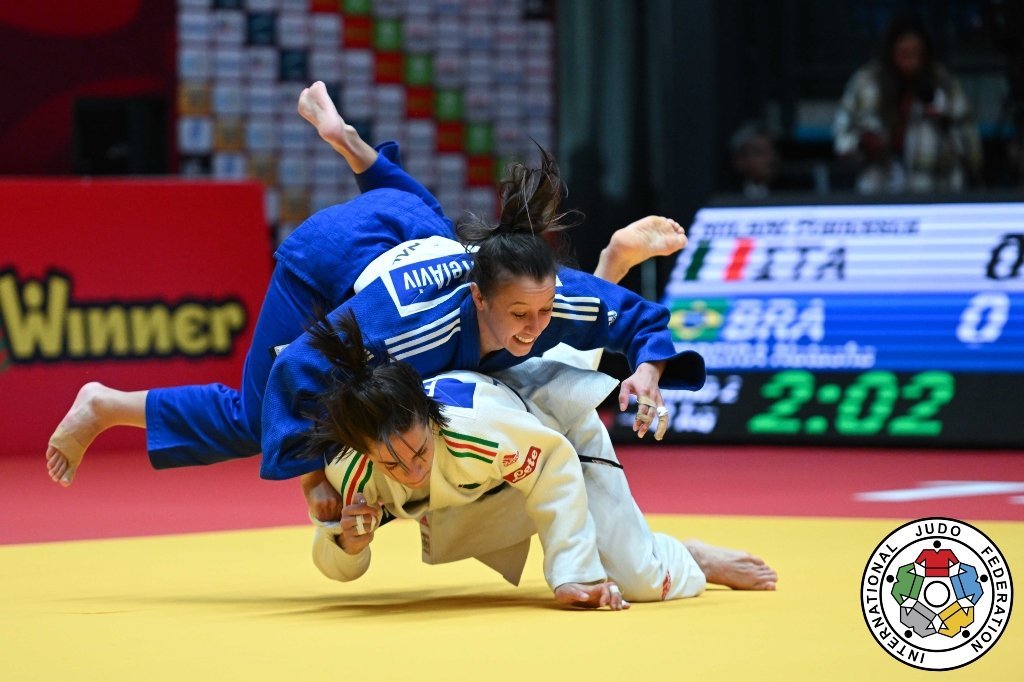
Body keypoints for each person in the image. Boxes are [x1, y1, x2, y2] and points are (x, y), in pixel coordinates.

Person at [45, 82, 699, 513]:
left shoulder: (521, 285)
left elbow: (628, 317)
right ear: (477, 301)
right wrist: (316, 480)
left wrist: (646, 369)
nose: (534, 322)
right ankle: (104, 405)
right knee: (254, 414)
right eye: (520, 315)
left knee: (527, 346)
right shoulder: (401, 331)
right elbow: (301, 368)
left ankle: (348, 139)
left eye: (542, 311)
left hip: (413, 221)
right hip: (337, 256)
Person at [307, 311, 777, 610]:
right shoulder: (349, 467)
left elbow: (555, 467)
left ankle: (683, 555)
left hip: (558, 435)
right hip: (488, 487)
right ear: (365, 453)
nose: (412, 470)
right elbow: (337, 564)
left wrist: (574, 577)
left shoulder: (476, 428)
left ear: (431, 420)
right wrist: (346, 545)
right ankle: (633, 543)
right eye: (393, 466)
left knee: (641, 582)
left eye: (420, 450)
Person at [832, 14, 983, 194]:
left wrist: (945, 121)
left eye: (916, 53)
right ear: (890, 53)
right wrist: (862, 144)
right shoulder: (866, 83)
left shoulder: (944, 84)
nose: (911, 62)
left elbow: (974, 154)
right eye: (904, 54)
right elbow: (840, 139)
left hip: (937, 193)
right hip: (878, 194)